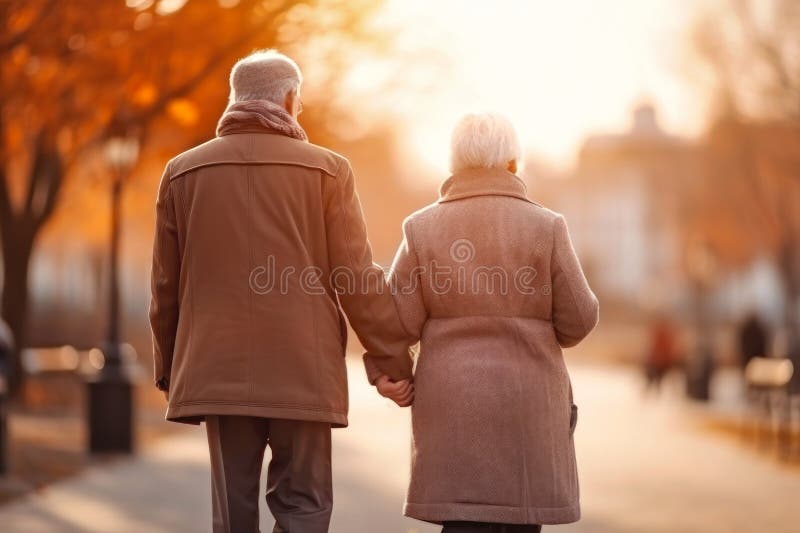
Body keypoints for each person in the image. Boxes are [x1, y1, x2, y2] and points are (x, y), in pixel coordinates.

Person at [149, 50, 414, 533]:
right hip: (303, 368)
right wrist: (394, 361)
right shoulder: (328, 171)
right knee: (305, 508)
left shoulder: (182, 172)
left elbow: (166, 286)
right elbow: (355, 277)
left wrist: (169, 366)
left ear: (235, 100)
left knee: (233, 517)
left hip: (216, 366)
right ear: (291, 99)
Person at [369, 113, 599, 532]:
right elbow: (579, 320)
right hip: (528, 410)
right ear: (513, 163)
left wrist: (387, 374)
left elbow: (393, 322)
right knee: (521, 520)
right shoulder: (547, 227)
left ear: (454, 164)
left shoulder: (421, 228)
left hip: (452, 410)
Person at [643, 314, 678, 394]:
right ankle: (652, 392)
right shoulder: (664, 334)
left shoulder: (663, 335)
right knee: (655, 378)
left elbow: (655, 348)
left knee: (655, 378)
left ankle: (652, 392)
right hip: (660, 361)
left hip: (660, 361)